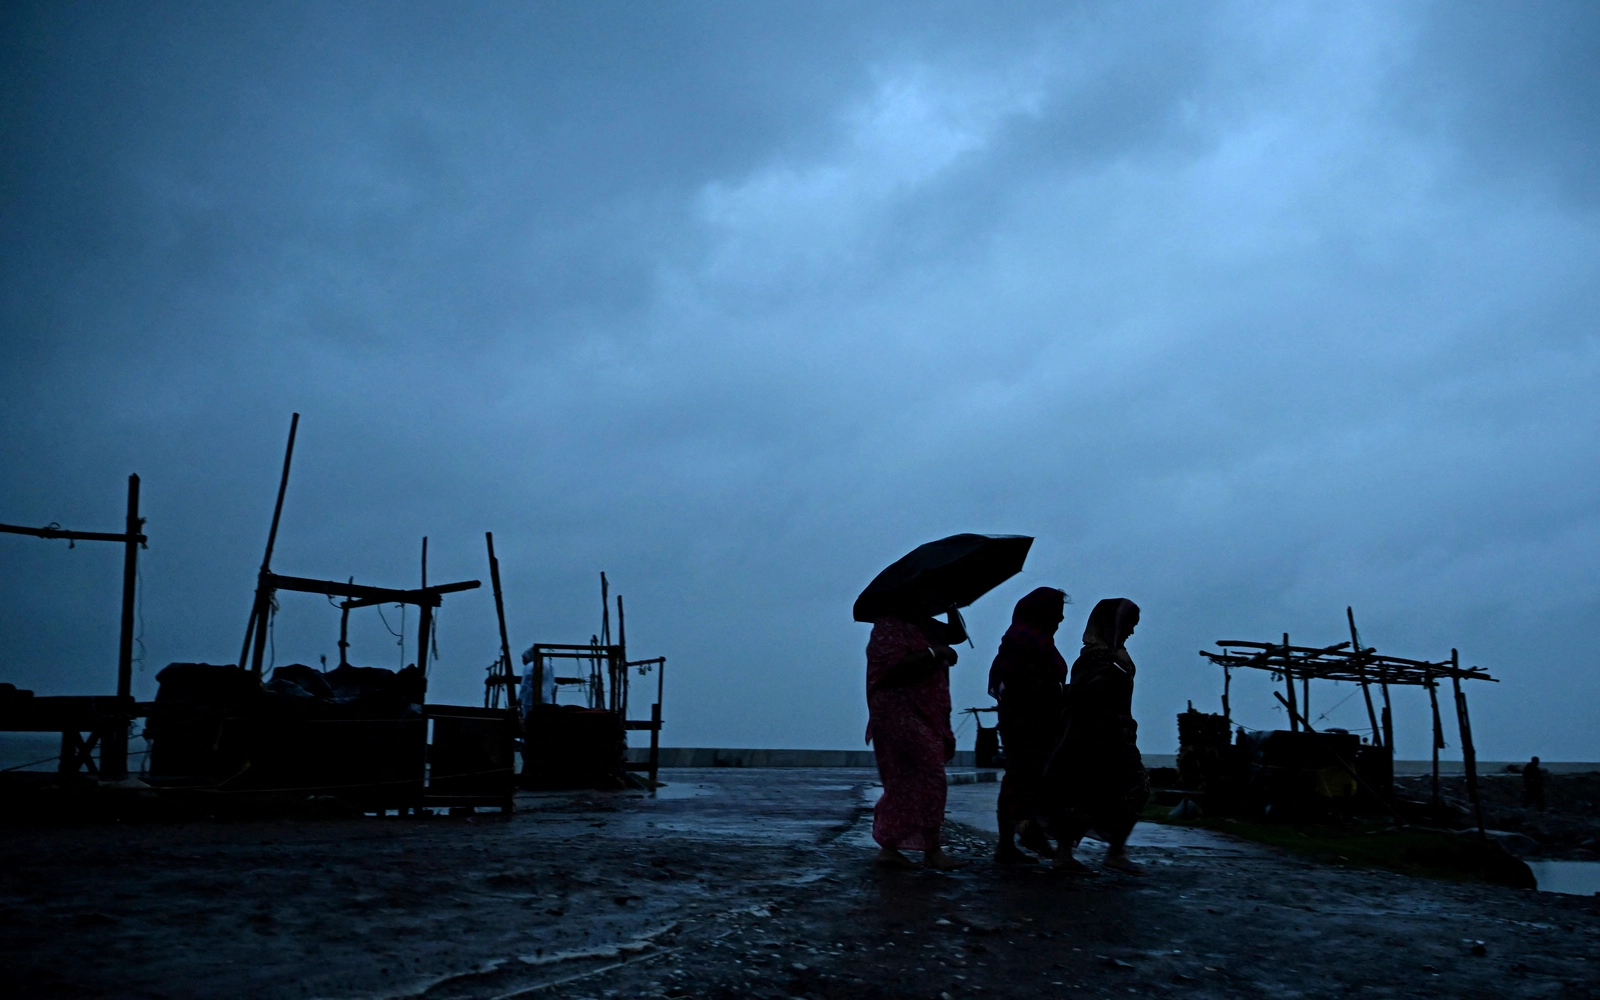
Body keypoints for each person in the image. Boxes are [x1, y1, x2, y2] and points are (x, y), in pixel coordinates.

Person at [1043, 597, 1150, 876]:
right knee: (1081, 794)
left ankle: (1115, 852)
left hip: (1119, 737)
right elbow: (1084, 697)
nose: (1131, 631)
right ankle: (1065, 855)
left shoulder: (1115, 655)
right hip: (1090, 739)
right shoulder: (1094, 659)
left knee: (1134, 789)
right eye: (1128, 624)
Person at [865, 608, 967, 870]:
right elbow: (891, 667)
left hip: (926, 711)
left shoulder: (925, 625)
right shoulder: (888, 627)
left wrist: (952, 607)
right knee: (926, 776)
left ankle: (895, 847)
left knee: (915, 779)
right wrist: (934, 652)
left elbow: (956, 636)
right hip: (898, 710)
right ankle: (928, 848)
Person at [987, 587, 1069, 864]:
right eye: (1056, 612)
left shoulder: (1033, 640)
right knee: (1022, 776)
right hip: (1026, 722)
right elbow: (1020, 683)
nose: (1060, 619)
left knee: (1020, 777)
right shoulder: (1025, 641)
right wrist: (1058, 691)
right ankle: (1021, 833)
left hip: (1033, 720)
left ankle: (1010, 842)